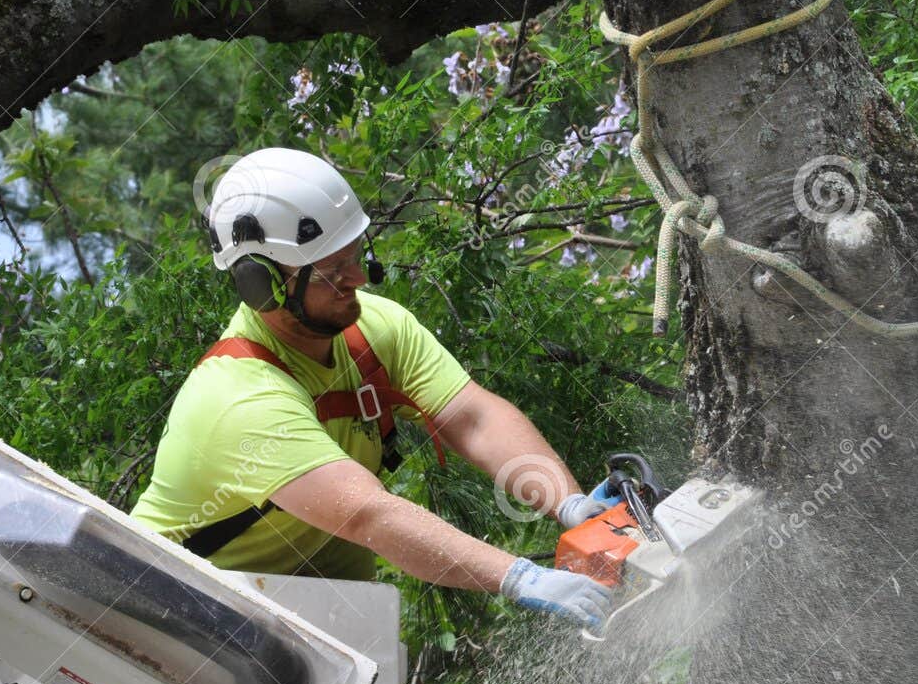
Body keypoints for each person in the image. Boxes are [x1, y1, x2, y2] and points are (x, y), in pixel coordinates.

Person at [130, 147, 616, 630]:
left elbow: (474, 419)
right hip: (170, 612)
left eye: (356, 257)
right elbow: (368, 514)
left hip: (303, 606)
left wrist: (570, 505)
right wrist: (521, 578)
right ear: (261, 283)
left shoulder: (375, 332)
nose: (358, 279)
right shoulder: (238, 398)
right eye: (333, 271)